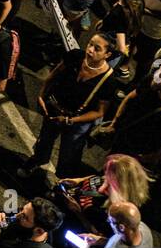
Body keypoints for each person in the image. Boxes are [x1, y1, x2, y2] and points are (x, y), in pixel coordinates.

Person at [26, 34, 115, 178]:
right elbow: (53, 75)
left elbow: (99, 112)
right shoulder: (75, 56)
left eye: (97, 48)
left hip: (77, 122)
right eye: (90, 44)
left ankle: (61, 183)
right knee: (45, 139)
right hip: (54, 109)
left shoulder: (109, 81)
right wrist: (41, 95)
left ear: (107, 54)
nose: (90, 50)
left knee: (69, 155)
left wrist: (70, 121)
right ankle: (37, 160)